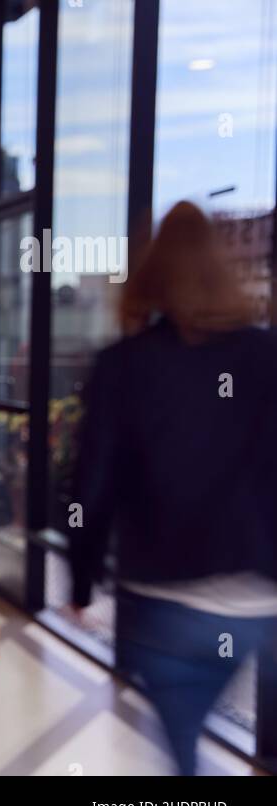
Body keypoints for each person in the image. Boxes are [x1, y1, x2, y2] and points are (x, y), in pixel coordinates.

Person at [68, 200, 277, 775]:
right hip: (261, 600)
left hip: (165, 606)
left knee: (184, 757)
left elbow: (92, 485)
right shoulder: (266, 356)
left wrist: (80, 579)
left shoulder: (124, 365)